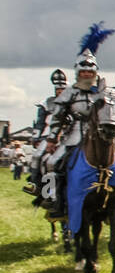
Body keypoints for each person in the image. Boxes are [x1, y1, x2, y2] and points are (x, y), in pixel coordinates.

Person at [39, 26, 115, 220]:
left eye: (89, 71)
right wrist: (51, 139)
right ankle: (52, 198)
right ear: (77, 72)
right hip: (75, 134)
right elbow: (57, 117)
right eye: (83, 71)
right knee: (51, 162)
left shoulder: (105, 92)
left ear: (95, 72)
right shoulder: (69, 92)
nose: (86, 74)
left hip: (104, 135)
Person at [24, 69, 66, 202]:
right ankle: (36, 185)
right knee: (37, 157)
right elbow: (40, 123)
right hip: (48, 136)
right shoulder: (46, 103)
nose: (60, 91)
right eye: (58, 89)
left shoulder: (71, 103)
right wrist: (36, 138)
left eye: (62, 88)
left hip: (67, 136)